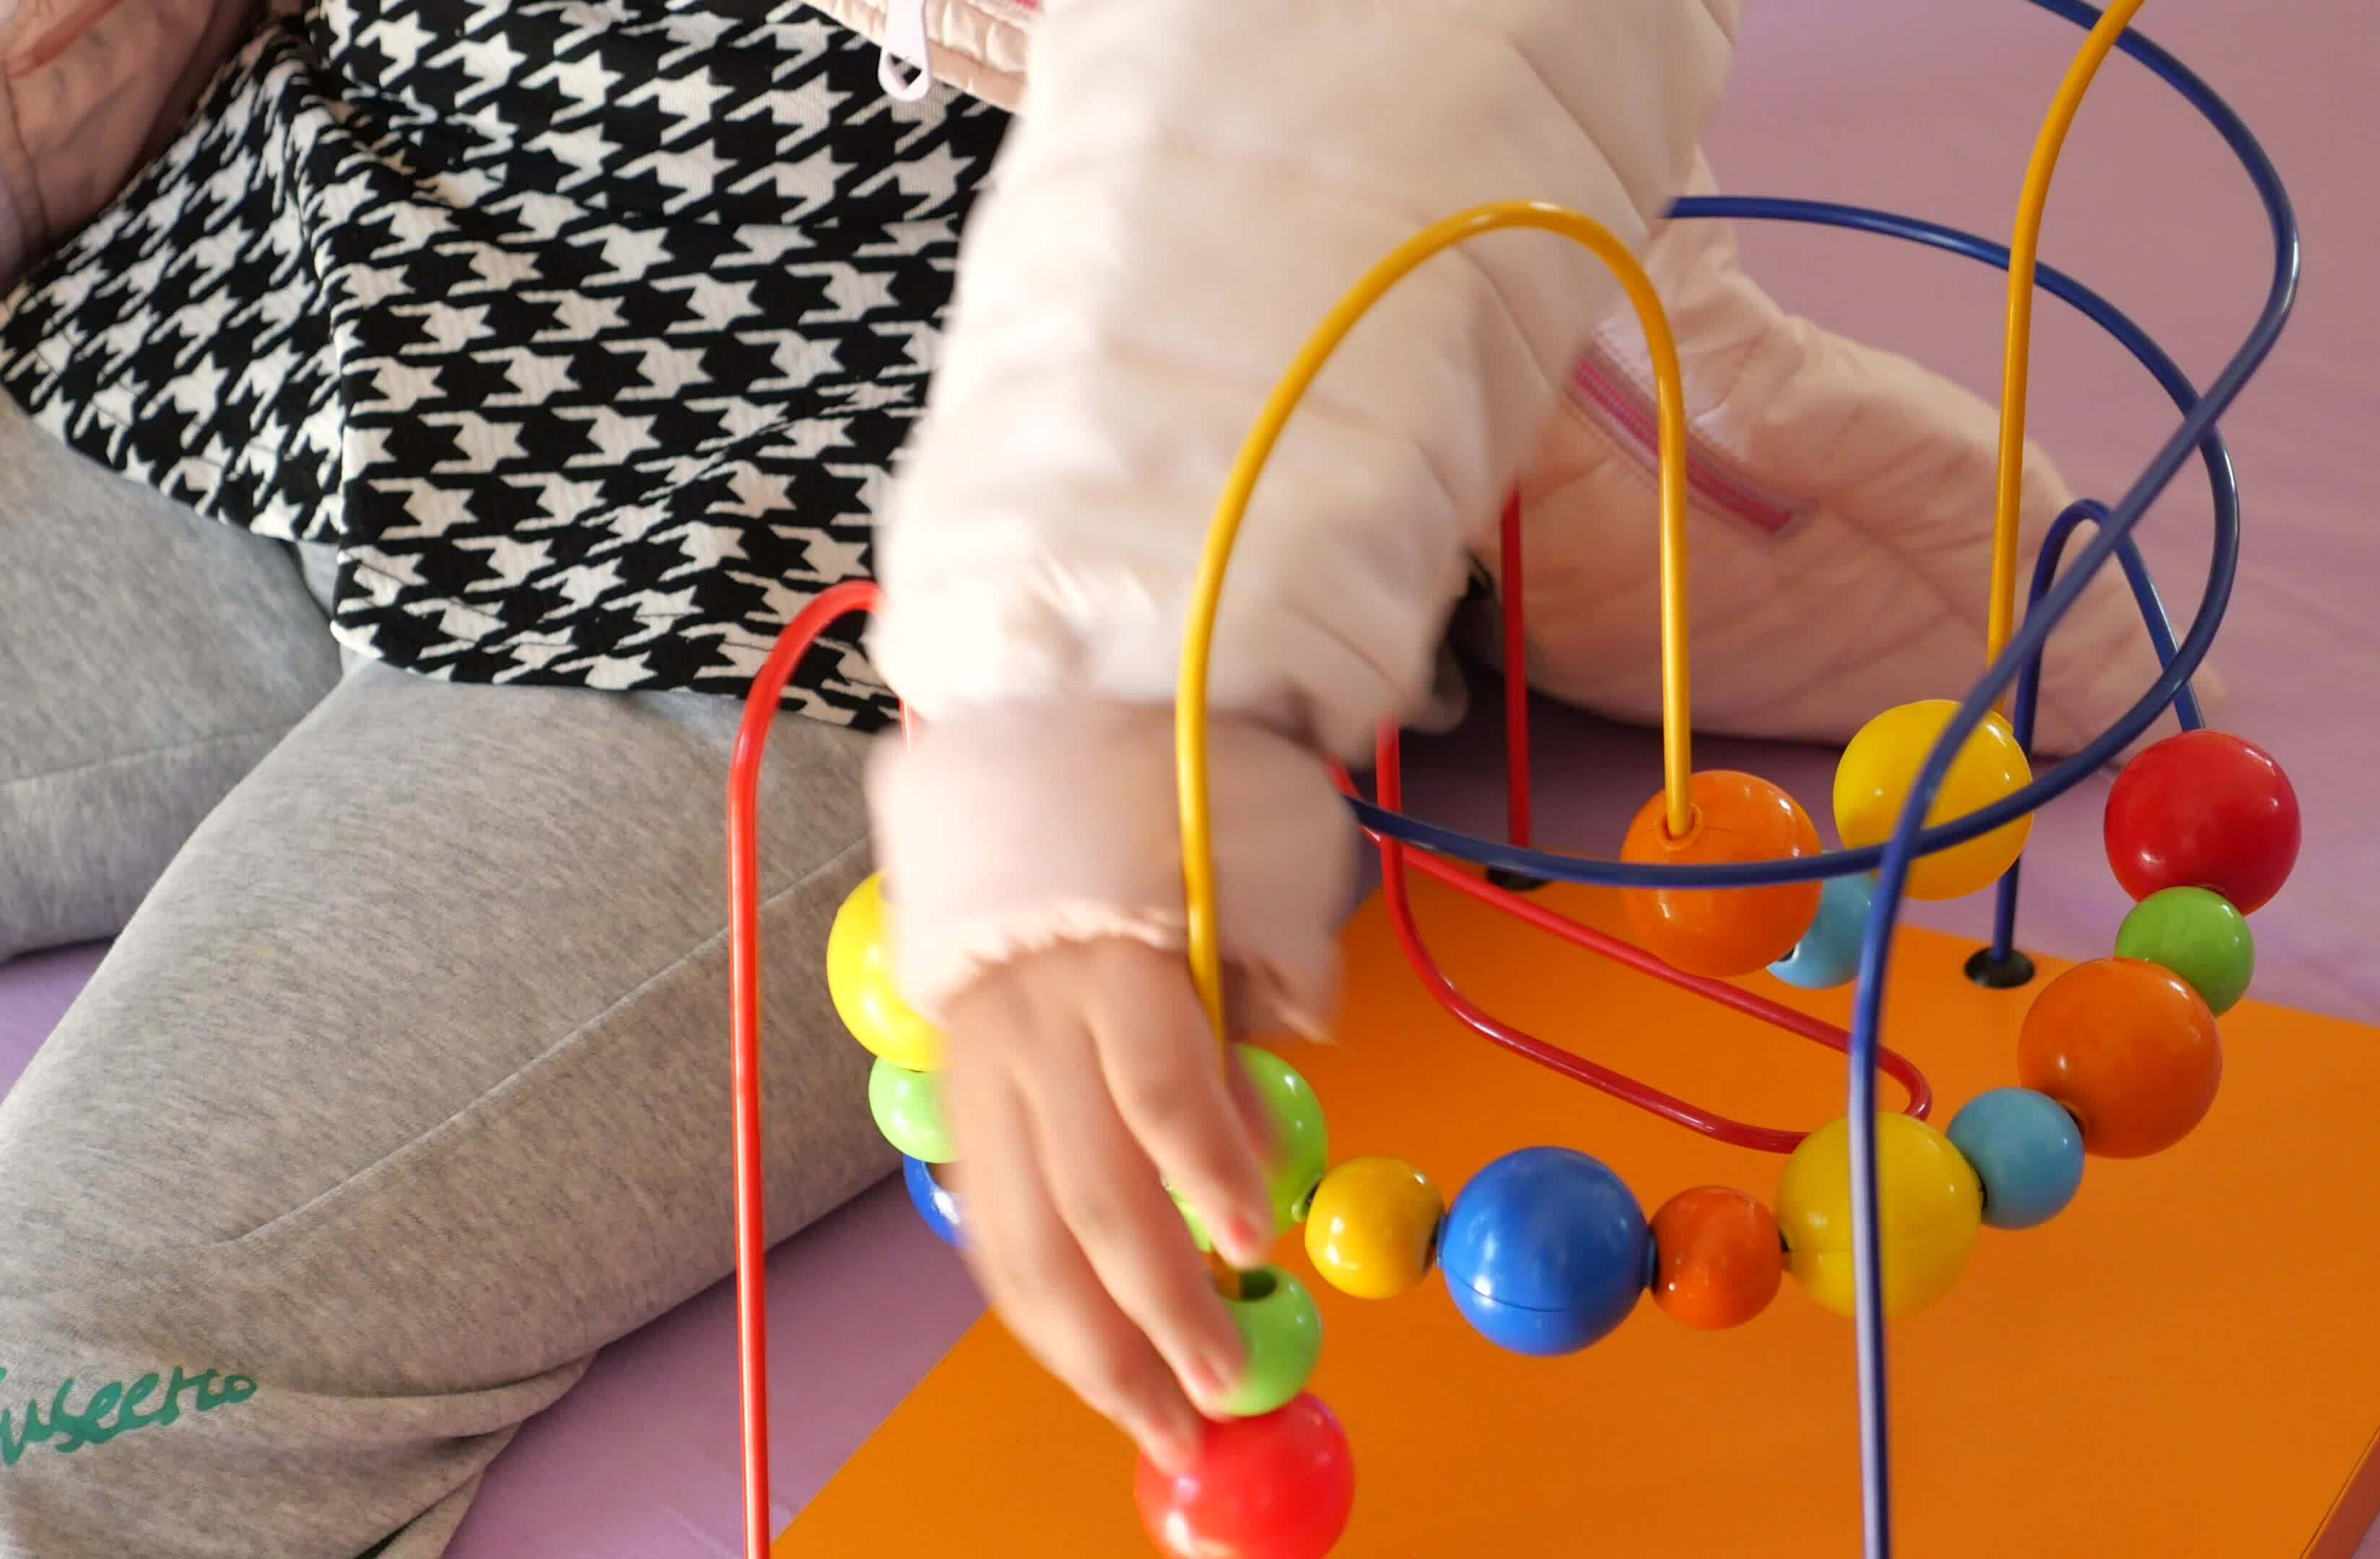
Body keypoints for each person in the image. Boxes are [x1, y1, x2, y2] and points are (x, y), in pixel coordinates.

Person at [0, 0, 2187, 1551]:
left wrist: (1092, 728)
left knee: (63, 1385)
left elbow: (1328, 79)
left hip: (888, 488)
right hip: (279, 235)